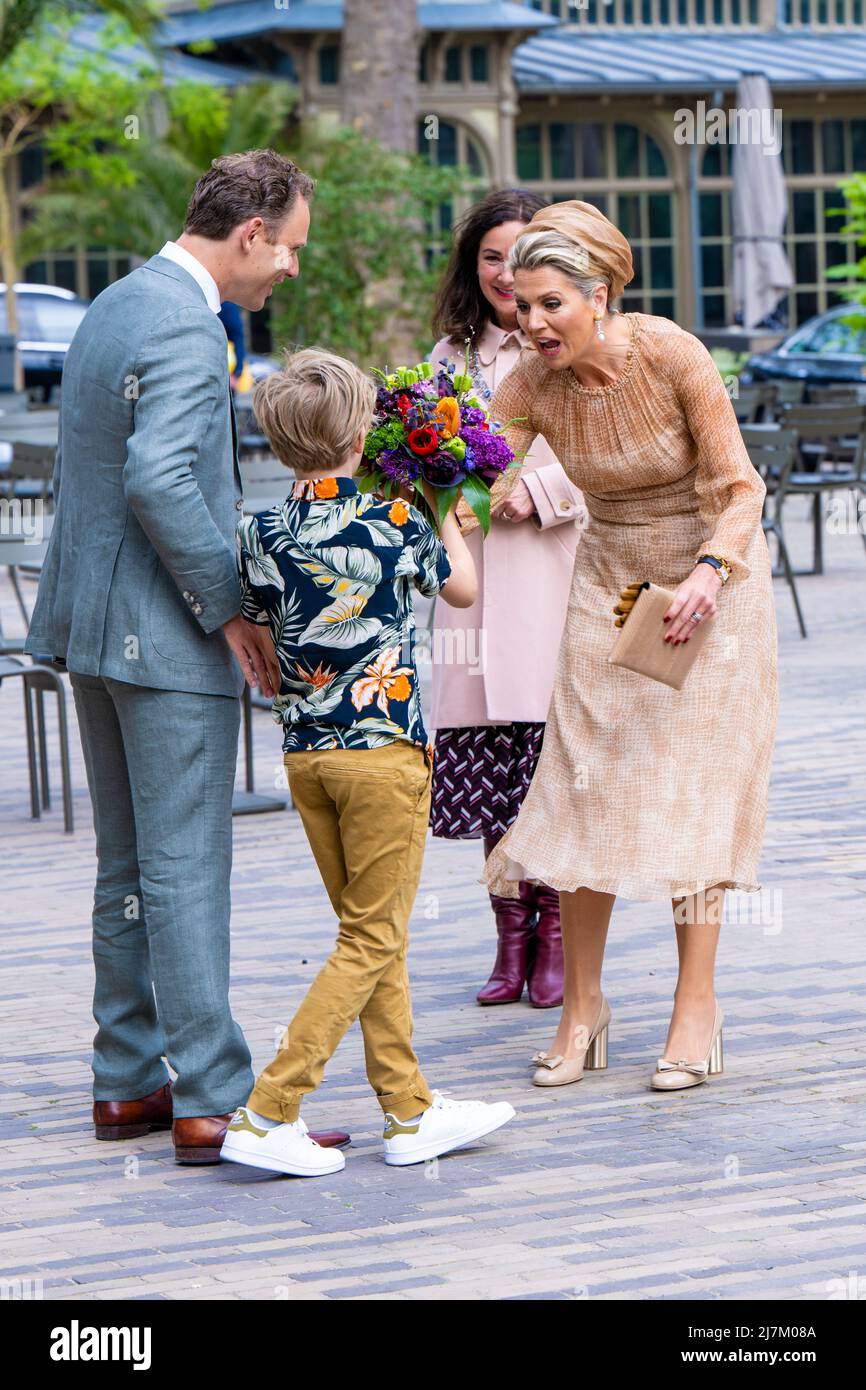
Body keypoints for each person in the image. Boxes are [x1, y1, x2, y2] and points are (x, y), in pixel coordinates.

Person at [24, 151, 348, 1163]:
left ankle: (126, 1080)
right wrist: (230, 608)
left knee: (127, 863)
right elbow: (161, 479)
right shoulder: (181, 321)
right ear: (250, 234)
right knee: (184, 865)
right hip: (160, 634)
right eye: (289, 249)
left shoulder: (118, 299)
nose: (289, 270)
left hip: (87, 625)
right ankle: (213, 1096)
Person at [477, 201, 777, 1092]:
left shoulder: (673, 354)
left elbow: (740, 486)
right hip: (609, 584)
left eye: (549, 305)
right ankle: (586, 1008)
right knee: (581, 788)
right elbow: (478, 469)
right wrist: (430, 486)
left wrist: (710, 573)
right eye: (520, 306)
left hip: (704, 589)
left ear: (599, 296)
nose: (531, 324)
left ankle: (696, 1006)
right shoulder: (533, 384)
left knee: (696, 790)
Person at [221, 348, 516, 1176]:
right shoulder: (392, 520)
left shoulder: (260, 529)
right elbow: (458, 590)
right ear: (361, 431)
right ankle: (269, 1109)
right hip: (382, 752)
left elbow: (255, 612)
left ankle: (409, 1109)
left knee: (368, 932)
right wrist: (444, 500)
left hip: (307, 757)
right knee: (373, 934)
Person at [428, 189, 586, 1010]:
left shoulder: (573, 347)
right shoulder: (449, 357)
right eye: (491, 256)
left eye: (520, 256)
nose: (504, 272)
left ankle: (556, 938)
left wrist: (545, 491)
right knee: (491, 782)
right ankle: (509, 940)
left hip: (548, 591)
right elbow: (423, 467)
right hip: (469, 594)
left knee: (546, 774)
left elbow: (616, 467)